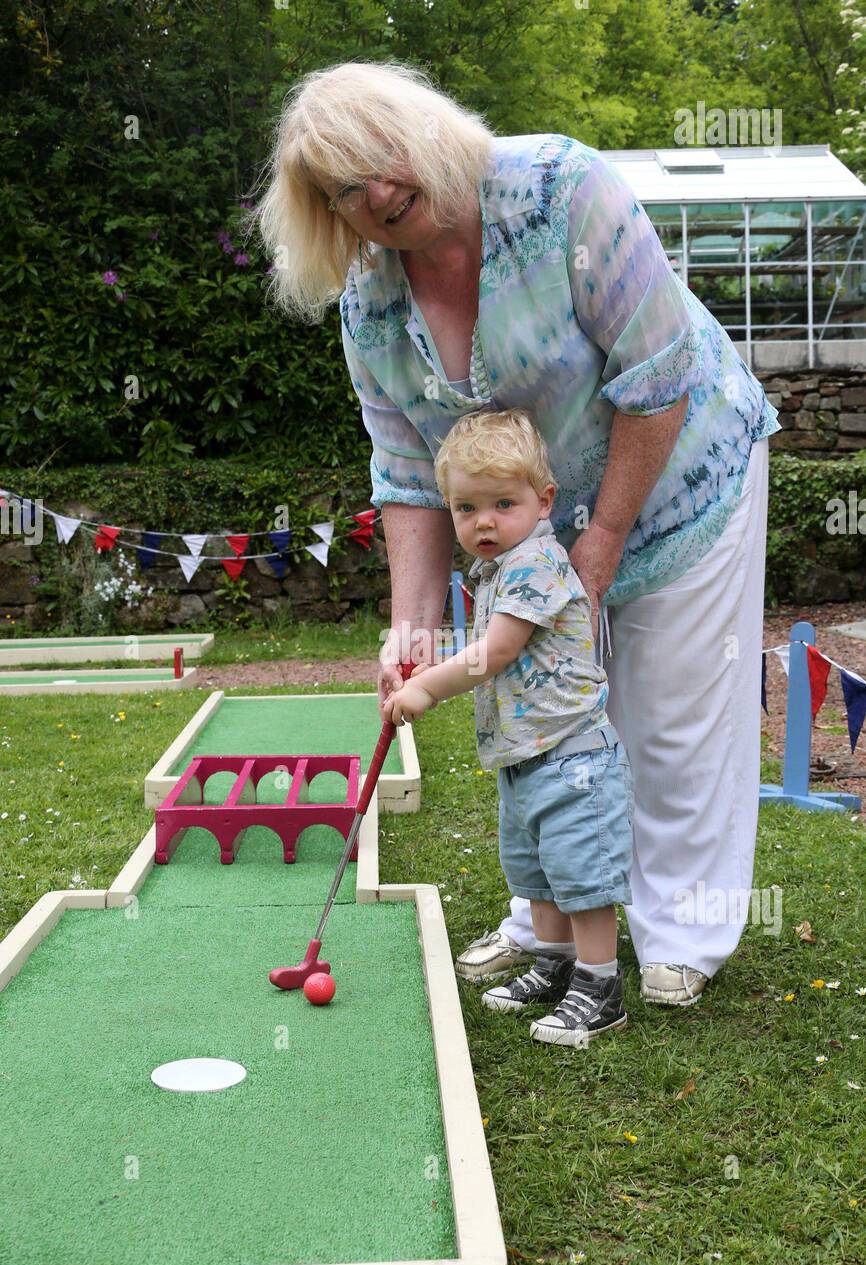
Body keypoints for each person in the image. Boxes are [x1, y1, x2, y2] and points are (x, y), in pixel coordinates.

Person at [253, 59, 779, 1007]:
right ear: (331, 214)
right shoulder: (368, 303)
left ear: (423, 130)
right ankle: (547, 926)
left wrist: (603, 539)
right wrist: (412, 626)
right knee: (544, 714)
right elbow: (409, 473)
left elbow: (659, 378)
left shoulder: (562, 190)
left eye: (384, 156)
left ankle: (680, 935)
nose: (378, 192)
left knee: (667, 710)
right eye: (344, 189)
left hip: (678, 476)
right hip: (530, 535)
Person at [383, 408, 633, 1047]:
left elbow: (495, 653)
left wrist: (426, 688)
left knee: (581, 877)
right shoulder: (493, 571)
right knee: (539, 875)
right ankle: (555, 968)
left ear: (543, 500)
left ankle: (600, 989)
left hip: (572, 755)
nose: (484, 521)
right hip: (526, 757)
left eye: (502, 503)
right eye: (466, 509)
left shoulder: (536, 564)